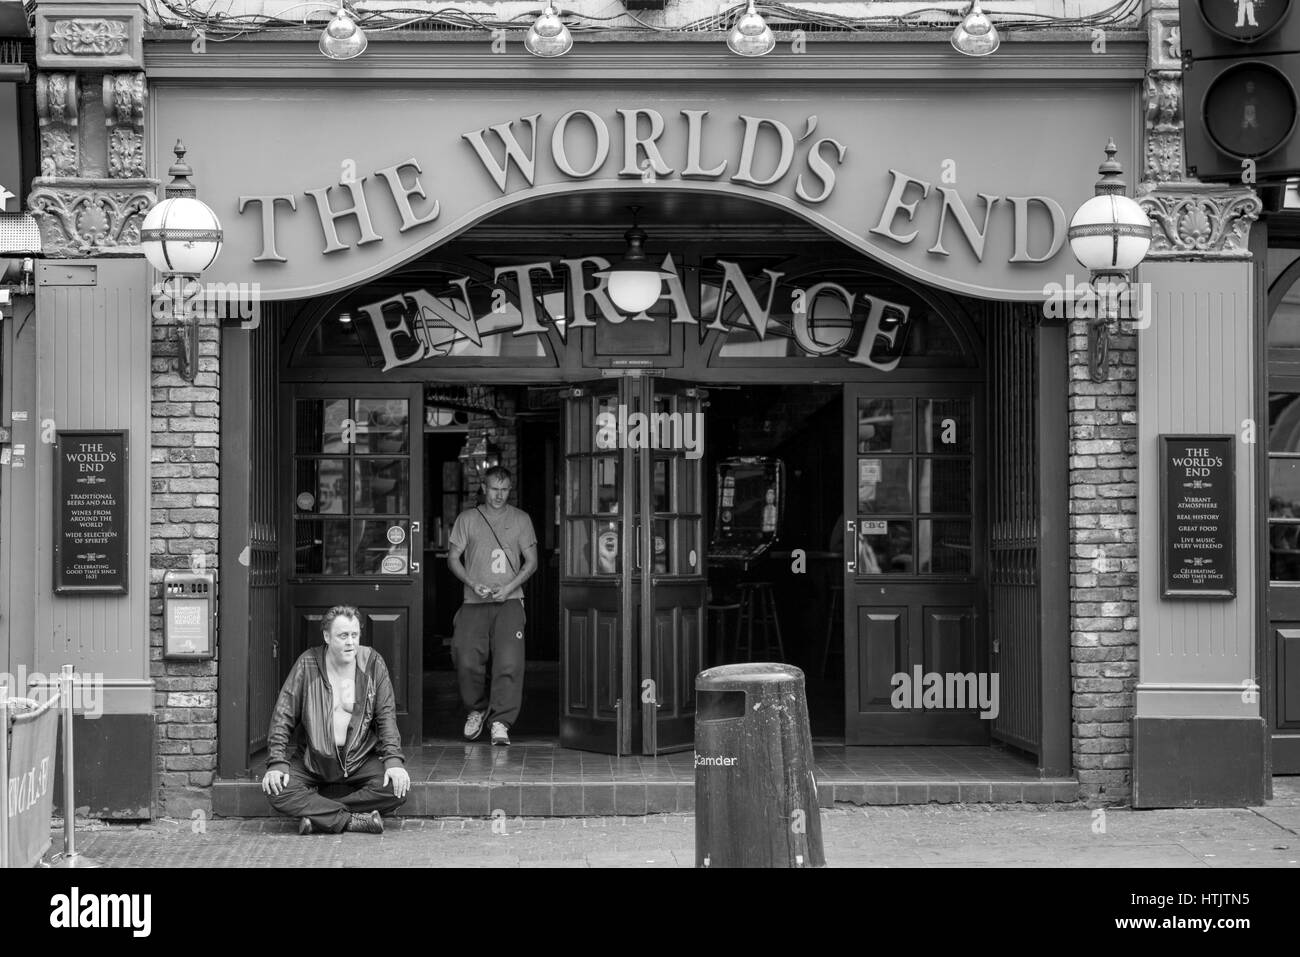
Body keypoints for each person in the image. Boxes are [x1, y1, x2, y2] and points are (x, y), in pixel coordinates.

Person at [261, 605, 410, 834]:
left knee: (397, 789)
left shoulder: (372, 662)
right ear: (327, 637)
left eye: (354, 635)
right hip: (314, 759)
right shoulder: (308, 663)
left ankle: (320, 816)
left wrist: (393, 761)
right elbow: (283, 715)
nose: (350, 642)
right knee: (276, 790)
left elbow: (386, 716)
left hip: (359, 758)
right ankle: (354, 820)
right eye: (343, 636)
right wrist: (277, 763)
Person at [448, 465, 538, 746]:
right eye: (494, 489)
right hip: (473, 601)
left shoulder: (521, 519)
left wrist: (509, 588)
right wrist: (473, 583)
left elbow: (532, 561)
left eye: (504, 489)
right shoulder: (468, 519)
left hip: (509, 601)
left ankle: (500, 721)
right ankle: (476, 710)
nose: (499, 495)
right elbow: (453, 558)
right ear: (484, 489)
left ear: (509, 490)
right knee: (465, 658)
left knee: (509, 662)